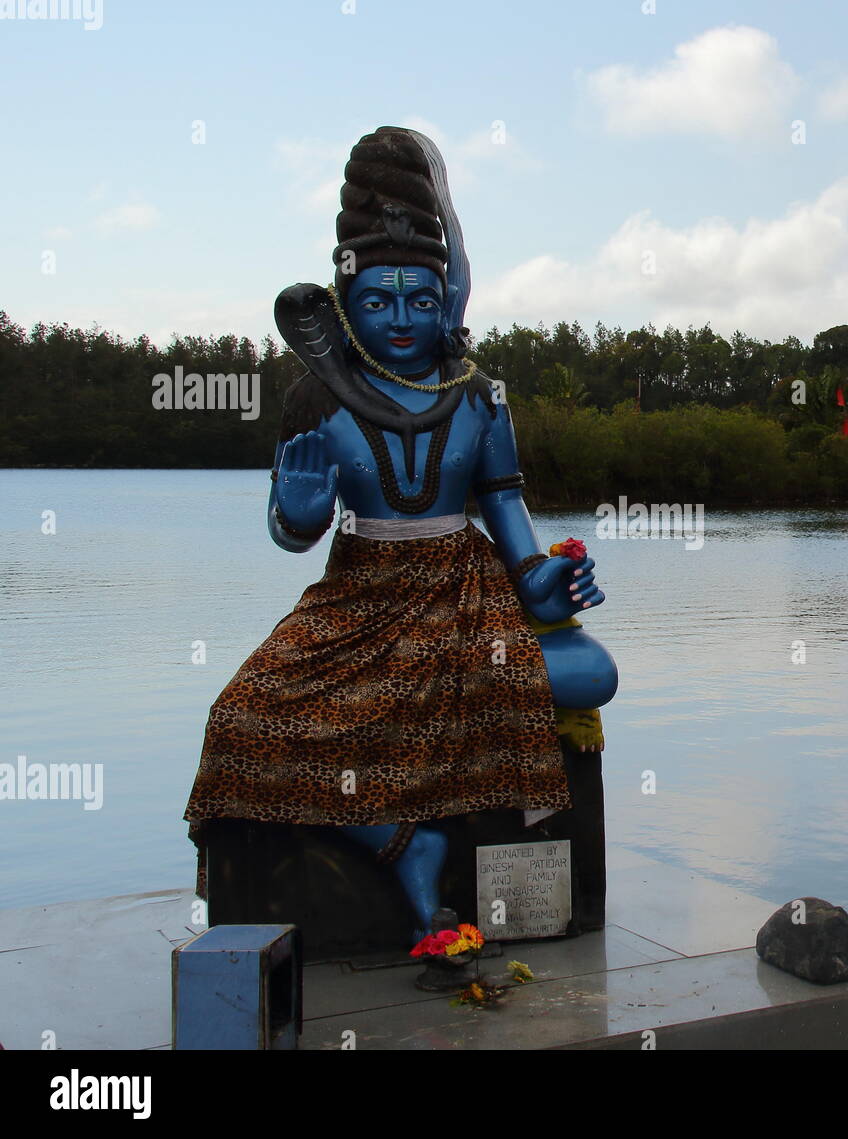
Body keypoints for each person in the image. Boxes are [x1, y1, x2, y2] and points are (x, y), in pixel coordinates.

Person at [183, 127, 616, 947]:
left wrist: (545, 584)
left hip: (465, 589)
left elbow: (512, 526)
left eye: (421, 298)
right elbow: (292, 532)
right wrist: (301, 509)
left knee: (581, 669)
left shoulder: (478, 400)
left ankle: (476, 877)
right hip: (359, 590)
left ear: (446, 298)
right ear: (344, 305)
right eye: (379, 301)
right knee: (240, 716)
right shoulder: (318, 399)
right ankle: (402, 842)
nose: (404, 319)